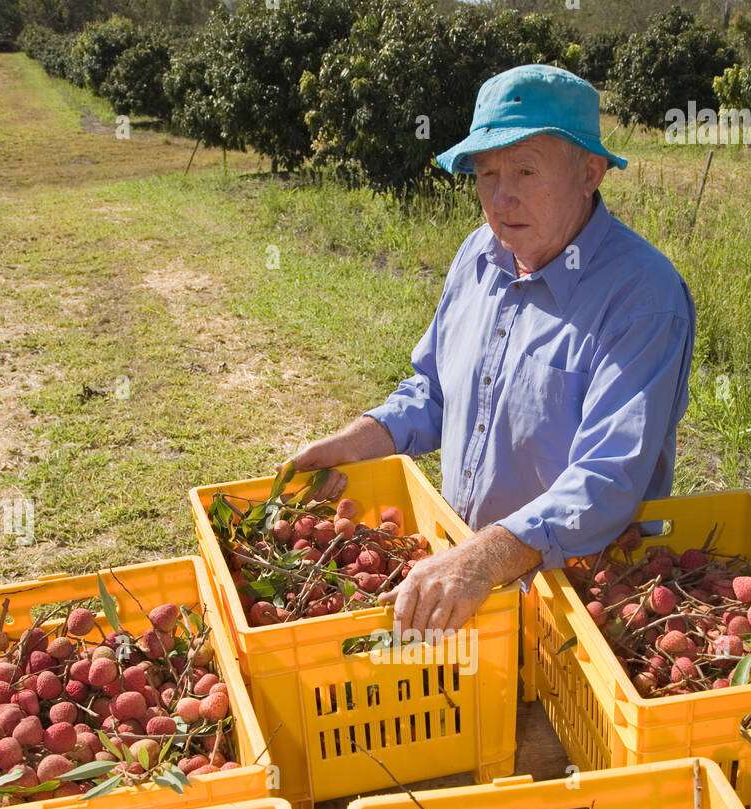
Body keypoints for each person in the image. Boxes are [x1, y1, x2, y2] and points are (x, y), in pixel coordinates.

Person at [287, 64, 696, 637]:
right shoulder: (480, 255)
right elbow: (435, 391)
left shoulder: (642, 298)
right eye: (486, 174)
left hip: (578, 597)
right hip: (465, 578)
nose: (502, 198)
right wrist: (362, 438)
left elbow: (610, 477)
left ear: (590, 172)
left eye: (526, 170)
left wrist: (485, 557)